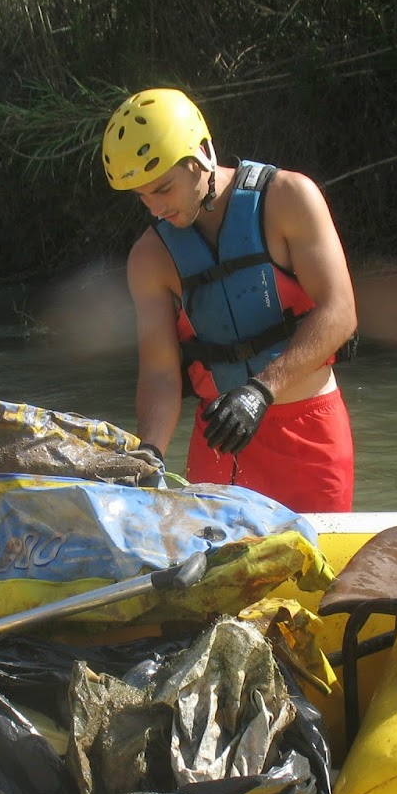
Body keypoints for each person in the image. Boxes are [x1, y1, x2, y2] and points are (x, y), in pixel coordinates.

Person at [102, 88, 357, 512]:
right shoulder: (149, 257)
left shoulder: (289, 197)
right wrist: (149, 454)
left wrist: (260, 391)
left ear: (201, 153)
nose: (155, 208)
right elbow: (161, 375)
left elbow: (340, 312)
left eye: (163, 188)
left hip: (310, 433)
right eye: (142, 196)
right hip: (220, 441)